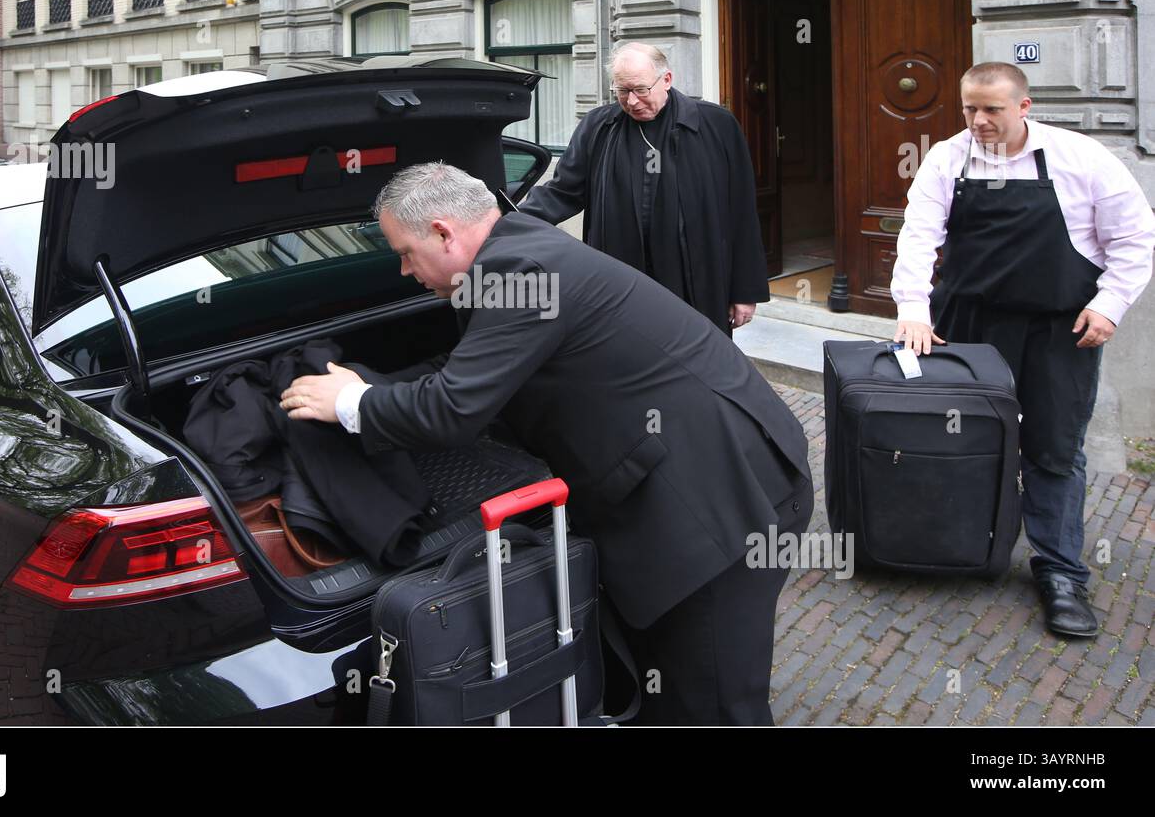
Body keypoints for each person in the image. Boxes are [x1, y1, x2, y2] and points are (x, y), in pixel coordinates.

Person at [282, 161, 814, 724]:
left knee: (714, 703)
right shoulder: (513, 256)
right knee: (669, 682)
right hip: (692, 478)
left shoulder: (521, 269)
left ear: (443, 232)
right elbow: (466, 373)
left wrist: (351, 403)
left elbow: (454, 408)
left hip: (725, 500)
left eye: (405, 253)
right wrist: (374, 385)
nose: (404, 270)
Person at [891, 61, 1155, 637]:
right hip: (968, 325)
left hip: (1060, 331)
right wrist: (913, 309)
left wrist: (1109, 304)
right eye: (969, 109)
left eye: (992, 110)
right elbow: (918, 234)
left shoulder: (1080, 158)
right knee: (963, 441)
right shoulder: (946, 159)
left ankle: (1060, 573)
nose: (979, 121)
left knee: (1054, 449)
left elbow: (1135, 235)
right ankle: (961, 546)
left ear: (1024, 107)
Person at [519, 42, 769, 336]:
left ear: (666, 80)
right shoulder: (598, 126)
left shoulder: (716, 125)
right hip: (621, 279)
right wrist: (510, 221)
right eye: (622, 91)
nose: (632, 101)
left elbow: (741, 211)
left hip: (695, 281)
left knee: (698, 365)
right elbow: (562, 192)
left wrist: (744, 291)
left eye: (640, 90)